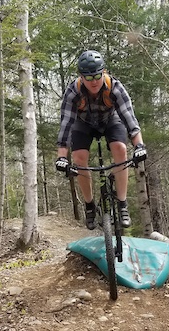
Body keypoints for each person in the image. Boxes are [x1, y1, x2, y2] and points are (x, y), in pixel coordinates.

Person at [55, 50, 147, 230]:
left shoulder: (115, 87)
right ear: (81, 77)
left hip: (110, 120)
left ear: (103, 71)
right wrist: (61, 157)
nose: (94, 81)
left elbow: (129, 119)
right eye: (88, 78)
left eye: (98, 75)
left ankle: (122, 203)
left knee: (120, 149)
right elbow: (66, 125)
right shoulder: (73, 92)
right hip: (83, 123)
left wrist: (139, 146)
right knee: (79, 157)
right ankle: (90, 206)